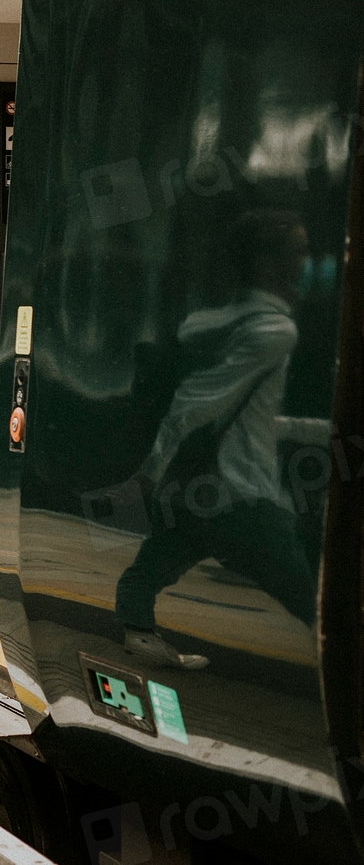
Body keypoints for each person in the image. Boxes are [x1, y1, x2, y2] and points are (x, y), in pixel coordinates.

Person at [114, 210, 318, 669]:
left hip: (192, 485)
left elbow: (248, 415)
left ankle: (138, 632)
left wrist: (316, 431)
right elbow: (197, 402)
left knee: (155, 563)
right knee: (308, 591)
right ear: (265, 263)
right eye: (298, 253)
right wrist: (150, 469)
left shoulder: (203, 322)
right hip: (240, 491)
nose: (306, 263)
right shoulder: (274, 330)